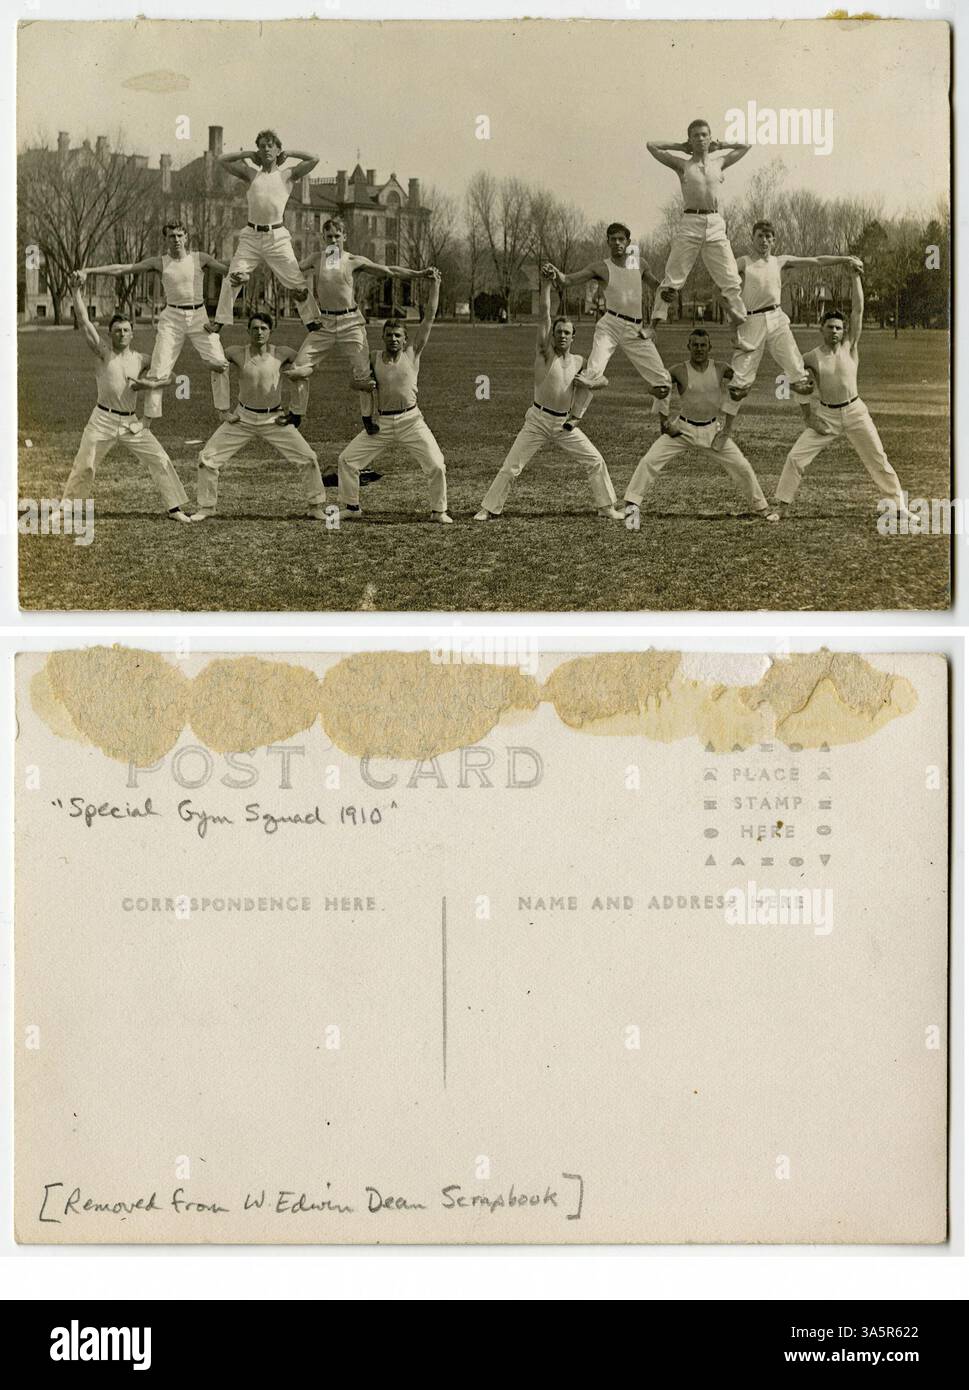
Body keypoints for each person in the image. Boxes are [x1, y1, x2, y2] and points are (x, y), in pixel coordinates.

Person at [475, 268, 624, 521]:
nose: (562, 336)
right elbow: (544, 315)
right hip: (537, 421)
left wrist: (593, 383)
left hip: (564, 424)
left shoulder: (579, 361)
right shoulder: (545, 354)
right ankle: (488, 508)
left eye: (567, 332)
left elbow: (604, 380)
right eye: (558, 332)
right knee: (512, 467)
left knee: (595, 460)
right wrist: (546, 284)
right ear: (552, 336)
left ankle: (606, 507)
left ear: (573, 337)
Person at [285, 216, 436, 435]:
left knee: (363, 375)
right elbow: (290, 272)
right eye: (329, 237)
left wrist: (419, 274)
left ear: (344, 237)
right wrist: (296, 293)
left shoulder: (353, 260)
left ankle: (367, 419)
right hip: (324, 324)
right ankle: (296, 413)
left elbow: (389, 270)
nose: (333, 241)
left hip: (351, 324)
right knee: (298, 367)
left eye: (337, 236)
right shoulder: (316, 259)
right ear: (322, 237)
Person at [774, 268, 907, 516]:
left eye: (838, 328)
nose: (834, 331)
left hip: (856, 411)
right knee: (795, 458)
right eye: (830, 327)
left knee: (878, 458)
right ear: (821, 329)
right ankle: (781, 508)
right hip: (826, 416)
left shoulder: (850, 346)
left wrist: (855, 276)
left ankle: (898, 507)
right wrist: (805, 411)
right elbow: (788, 377)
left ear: (843, 331)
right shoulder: (811, 356)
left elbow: (858, 310)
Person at [58, 274, 191, 521]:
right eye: (117, 331)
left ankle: (175, 509)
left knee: (160, 459)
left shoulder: (141, 359)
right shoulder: (103, 353)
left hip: (131, 423)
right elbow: (85, 322)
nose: (121, 334)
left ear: (132, 334)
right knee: (85, 464)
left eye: (126, 330)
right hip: (102, 419)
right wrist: (76, 291)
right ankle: (66, 508)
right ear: (110, 334)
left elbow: (172, 376)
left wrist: (147, 383)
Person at [624, 327, 779, 522]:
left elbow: (743, 380)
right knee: (649, 461)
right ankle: (631, 505)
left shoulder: (720, 368)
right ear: (688, 347)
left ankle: (762, 508)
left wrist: (743, 389)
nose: (699, 349)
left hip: (713, 431)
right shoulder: (679, 370)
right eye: (695, 345)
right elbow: (655, 384)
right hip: (682, 430)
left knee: (742, 466)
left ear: (709, 347)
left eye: (703, 345)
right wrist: (662, 417)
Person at [80, 221, 231, 420]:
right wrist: (89, 271)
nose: (176, 240)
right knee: (159, 367)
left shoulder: (200, 258)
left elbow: (230, 274)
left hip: (199, 316)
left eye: (179, 235)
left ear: (186, 237)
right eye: (171, 236)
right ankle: (147, 420)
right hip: (172, 319)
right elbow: (123, 269)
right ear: (166, 240)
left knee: (220, 362)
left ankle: (223, 411)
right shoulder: (160, 262)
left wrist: (248, 262)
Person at [336, 269, 451, 524]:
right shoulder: (374, 358)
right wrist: (366, 386)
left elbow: (429, 316)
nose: (393, 339)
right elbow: (352, 382)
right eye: (389, 335)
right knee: (346, 460)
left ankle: (438, 511)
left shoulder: (413, 353)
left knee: (437, 465)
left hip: (412, 420)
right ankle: (352, 507)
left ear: (405, 339)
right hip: (382, 424)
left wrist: (436, 285)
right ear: (383, 338)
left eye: (398, 335)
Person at [192, 312, 330, 522]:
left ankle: (315, 506)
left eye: (263, 328)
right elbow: (211, 359)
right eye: (255, 328)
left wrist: (303, 373)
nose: (259, 332)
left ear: (270, 331)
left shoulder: (282, 353)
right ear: (248, 331)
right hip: (242, 418)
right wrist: (211, 365)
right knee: (207, 459)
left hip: (274, 418)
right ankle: (207, 507)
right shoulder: (237, 352)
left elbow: (312, 364)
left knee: (308, 458)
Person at [722, 221, 863, 413]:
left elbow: (817, 261)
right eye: (760, 236)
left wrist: (845, 258)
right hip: (751, 320)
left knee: (799, 375)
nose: (764, 241)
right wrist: (732, 316)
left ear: (773, 241)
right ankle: (726, 427)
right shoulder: (743, 262)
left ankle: (808, 417)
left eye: (768, 237)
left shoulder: (779, 261)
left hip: (776, 317)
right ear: (752, 238)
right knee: (738, 387)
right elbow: (722, 285)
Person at [542, 222, 671, 431]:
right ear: (607, 242)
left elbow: (660, 289)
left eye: (621, 239)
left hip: (635, 329)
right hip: (610, 325)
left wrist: (670, 289)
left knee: (663, 379)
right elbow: (566, 281)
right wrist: (555, 272)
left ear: (628, 242)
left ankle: (664, 422)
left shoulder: (638, 263)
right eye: (613, 239)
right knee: (593, 371)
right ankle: (574, 416)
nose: (617, 243)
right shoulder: (600, 267)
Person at [207, 130, 322, 332]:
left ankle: (312, 321)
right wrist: (247, 155)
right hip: (251, 236)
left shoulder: (287, 175)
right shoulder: (252, 174)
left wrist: (289, 152)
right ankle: (219, 322)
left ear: (277, 149)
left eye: (270, 145)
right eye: (262, 146)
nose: (266, 149)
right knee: (232, 277)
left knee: (296, 280)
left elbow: (315, 159)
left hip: (276, 236)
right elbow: (221, 160)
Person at [646, 120, 750, 327]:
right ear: (690, 139)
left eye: (704, 135)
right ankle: (652, 327)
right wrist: (680, 147)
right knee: (673, 277)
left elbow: (746, 146)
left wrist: (721, 145)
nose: (700, 139)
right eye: (696, 136)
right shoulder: (683, 165)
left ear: (710, 138)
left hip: (715, 223)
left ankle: (739, 331)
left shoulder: (719, 163)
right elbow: (651, 145)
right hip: (690, 221)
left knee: (730, 278)